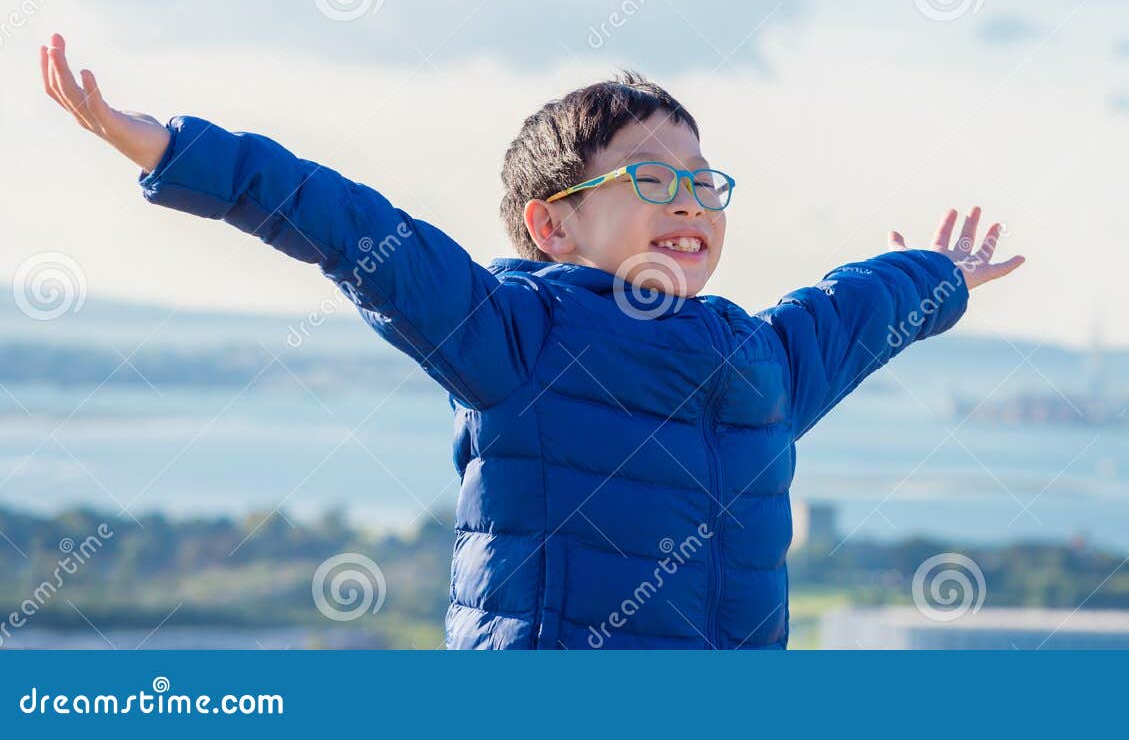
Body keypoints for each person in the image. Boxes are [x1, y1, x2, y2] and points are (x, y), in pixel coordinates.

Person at [38, 32, 1024, 649]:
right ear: (552, 226)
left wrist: (939, 278)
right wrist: (174, 150)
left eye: (703, 178)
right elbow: (346, 225)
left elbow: (852, 315)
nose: (690, 197)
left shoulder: (757, 361)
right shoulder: (514, 336)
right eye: (650, 176)